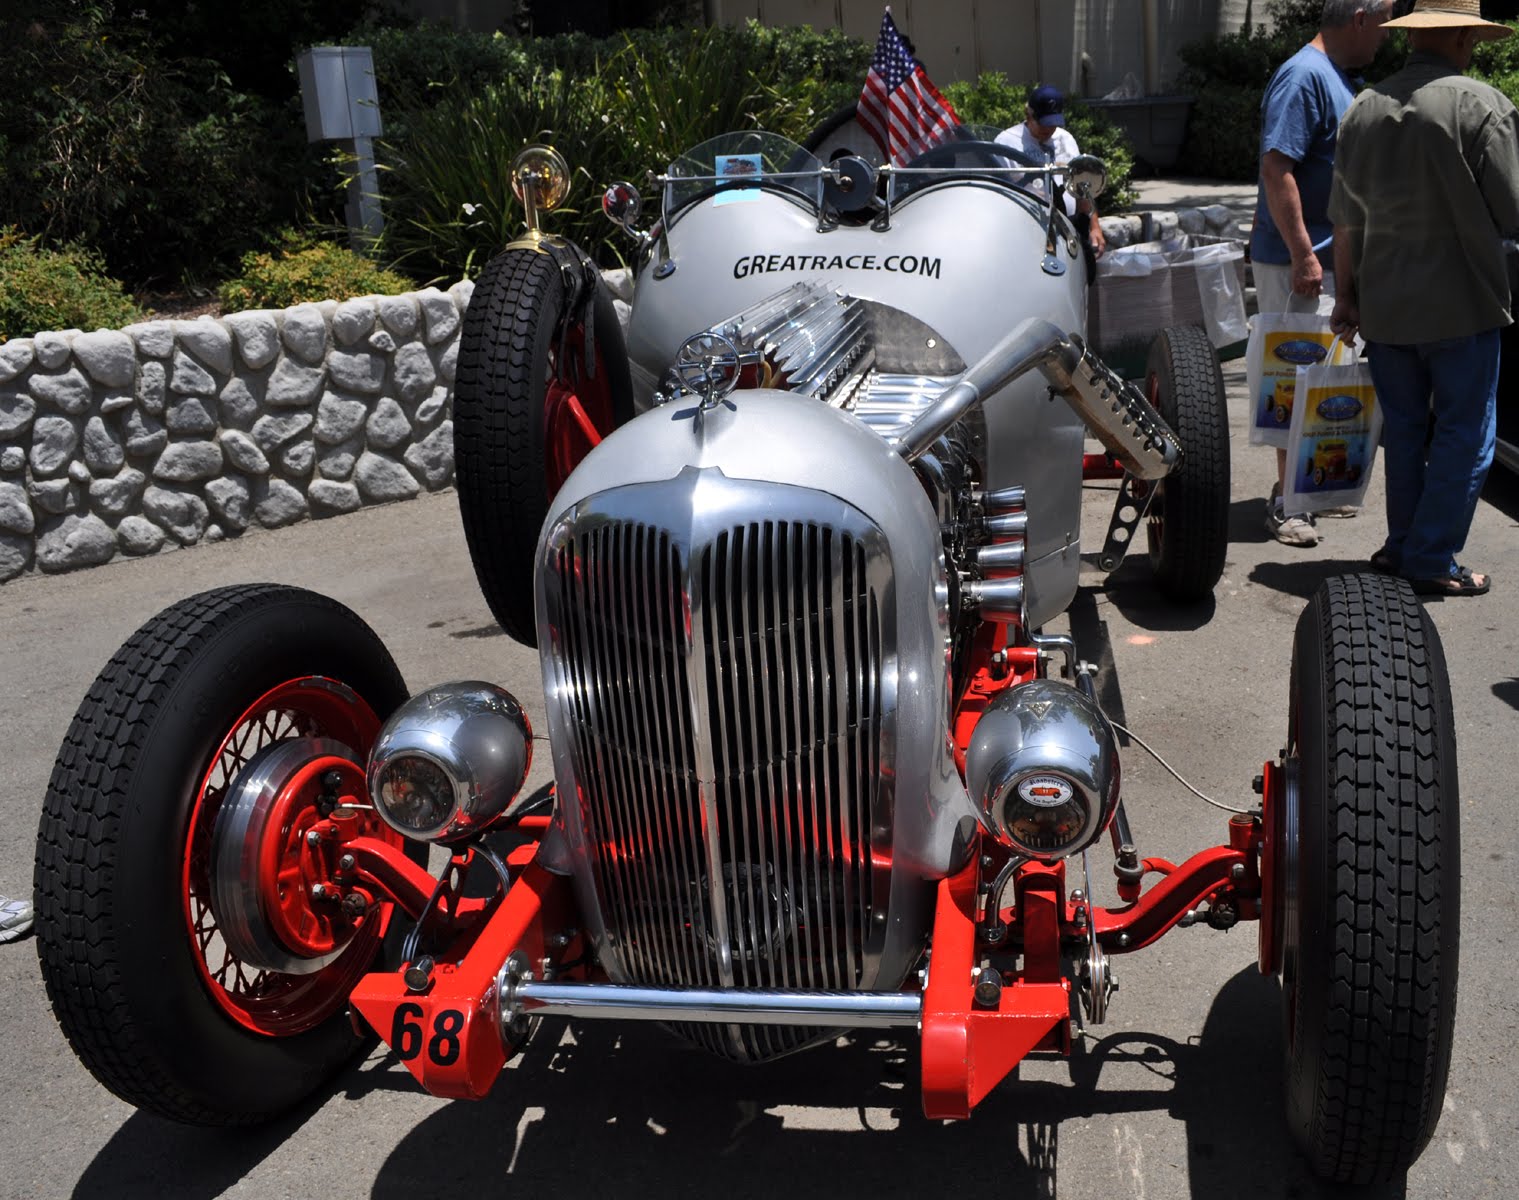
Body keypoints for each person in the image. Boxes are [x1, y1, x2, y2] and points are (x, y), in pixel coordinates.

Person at [1329, 0, 1519, 597]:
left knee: (1406, 432)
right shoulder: (1482, 104)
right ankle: (1432, 556)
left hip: (1385, 305)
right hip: (1462, 302)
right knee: (1467, 433)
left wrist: (1345, 297)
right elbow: (1512, 208)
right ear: (1463, 34)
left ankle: (1402, 546)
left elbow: (1345, 221)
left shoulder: (1363, 107)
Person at [1250, 0, 1393, 546]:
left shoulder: (1334, 76)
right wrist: (1303, 254)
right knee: (1295, 378)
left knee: (1325, 378)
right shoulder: (1304, 75)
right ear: (1361, 18)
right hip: (1302, 262)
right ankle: (1288, 501)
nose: (1385, 38)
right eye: (1382, 25)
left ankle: (1311, 487)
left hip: (1325, 259)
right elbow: (1276, 167)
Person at [996, 85, 1107, 266]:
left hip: (1070, 227)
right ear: (1028, 115)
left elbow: (1082, 186)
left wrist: (1094, 226)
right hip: (1030, 230)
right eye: (1043, 123)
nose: (1048, 129)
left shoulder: (1066, 139)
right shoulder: (1007, 142)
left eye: (1053, 123)